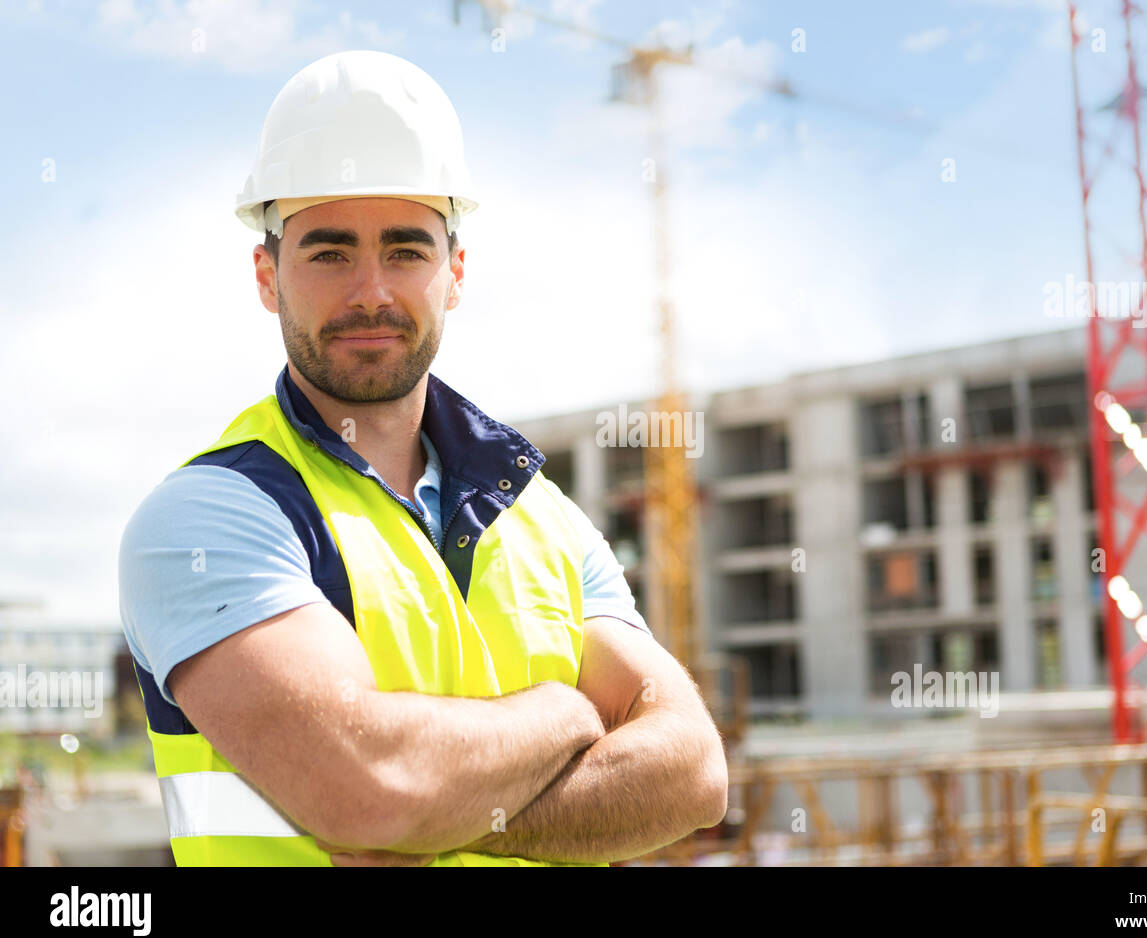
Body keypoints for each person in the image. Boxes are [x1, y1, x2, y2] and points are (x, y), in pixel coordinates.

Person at [117, 49, 727, 867]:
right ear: (267, 275)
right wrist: (566, 712)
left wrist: (430, 813)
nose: (370, 290)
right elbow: (374, 792)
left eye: (406, 250)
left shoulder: (545, 516)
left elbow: (693, 773)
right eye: (330, 253)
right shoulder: (209, 516)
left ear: (455, 273)